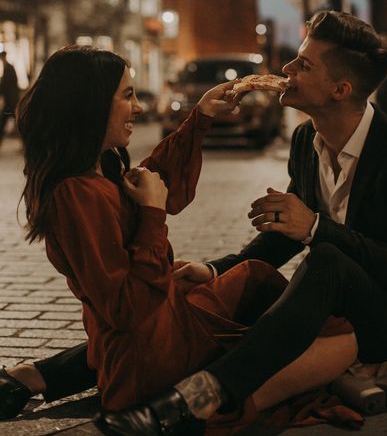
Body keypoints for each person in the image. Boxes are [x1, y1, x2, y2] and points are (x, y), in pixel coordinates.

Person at [91, 11, 387, 435]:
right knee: (211, 292)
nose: (285, 70)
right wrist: (214, 269)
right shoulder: (306, 140)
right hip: (324, 308)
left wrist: (316, 228)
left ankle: (195, 398)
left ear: (341, 89)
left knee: (325, 258)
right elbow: (283, 238)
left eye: (304, 64)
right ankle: (46, 376)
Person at [0, 44, 358, 427]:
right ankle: (202, 399)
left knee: (254, 278)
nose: (139, 107)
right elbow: (126, 307)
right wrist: (153, 213)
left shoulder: (101, 167)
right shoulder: (76, 193)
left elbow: (158, 179)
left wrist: (200, 117)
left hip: (150, 336)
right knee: (337, 336)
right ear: (91, 105)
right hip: (148, 362)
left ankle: (33, 376)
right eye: (127, 95)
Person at [0, 50, 19, 146]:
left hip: (11, 100)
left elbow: (6, 86)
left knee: (3, 121)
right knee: (17, 120)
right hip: (11, 100)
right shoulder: (8, 68)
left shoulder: (8, 68)